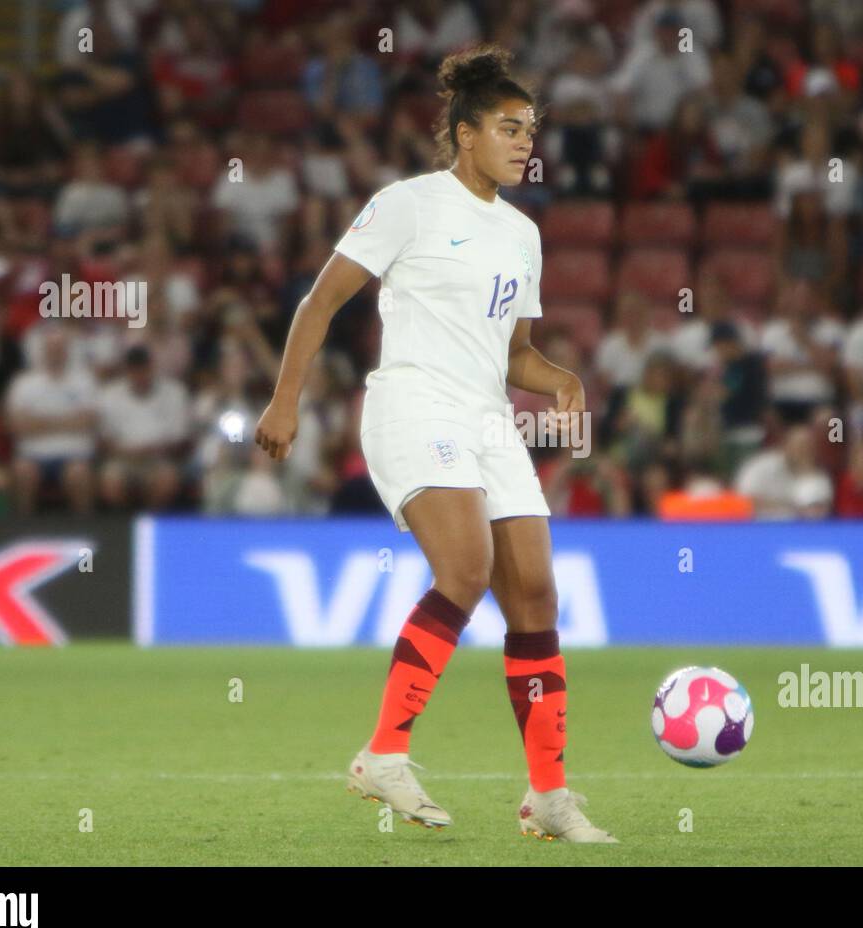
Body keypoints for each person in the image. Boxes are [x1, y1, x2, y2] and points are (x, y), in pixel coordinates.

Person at [254, 46, 616, 843]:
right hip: (415, 405)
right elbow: (320, 302)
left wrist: (559, 378)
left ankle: (548, 796)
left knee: (536, 597)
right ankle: (383, 754)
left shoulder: (522, 234)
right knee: (466, 569)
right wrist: (286, 400)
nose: (525, 142)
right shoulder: (408, 205)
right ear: (466, 133)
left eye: (531, 129)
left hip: (488, 418)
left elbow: (514, 352)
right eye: (509, 128)